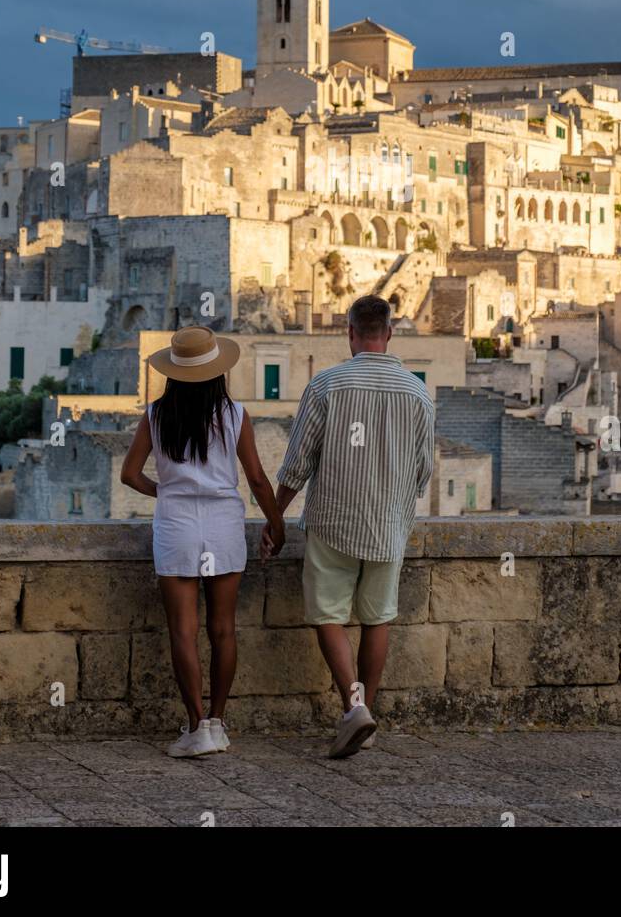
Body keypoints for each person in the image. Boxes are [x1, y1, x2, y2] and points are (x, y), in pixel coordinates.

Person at [265, 295, 434, 758]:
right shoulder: (416, 393)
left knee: (329, 615)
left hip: (333, 519)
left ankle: (353, 707)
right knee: (377, 617)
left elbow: (296, 465)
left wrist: (275, 518)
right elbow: (423, 471)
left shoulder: (326, 386)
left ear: (351, 332)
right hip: (388, 524)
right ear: (391, 333)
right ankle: (367, 717)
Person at [121, 326, 284, 758]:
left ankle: (195, 728)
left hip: (177, 526)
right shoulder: (235, 415)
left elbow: (130, 474)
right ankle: (218, 720)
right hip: (223, 524)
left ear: (173, 373)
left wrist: (166, 491)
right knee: (223, 630)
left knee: (184, 631)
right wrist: (276, 523)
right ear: (218, 372)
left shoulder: (155, 415)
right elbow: (257, 479)